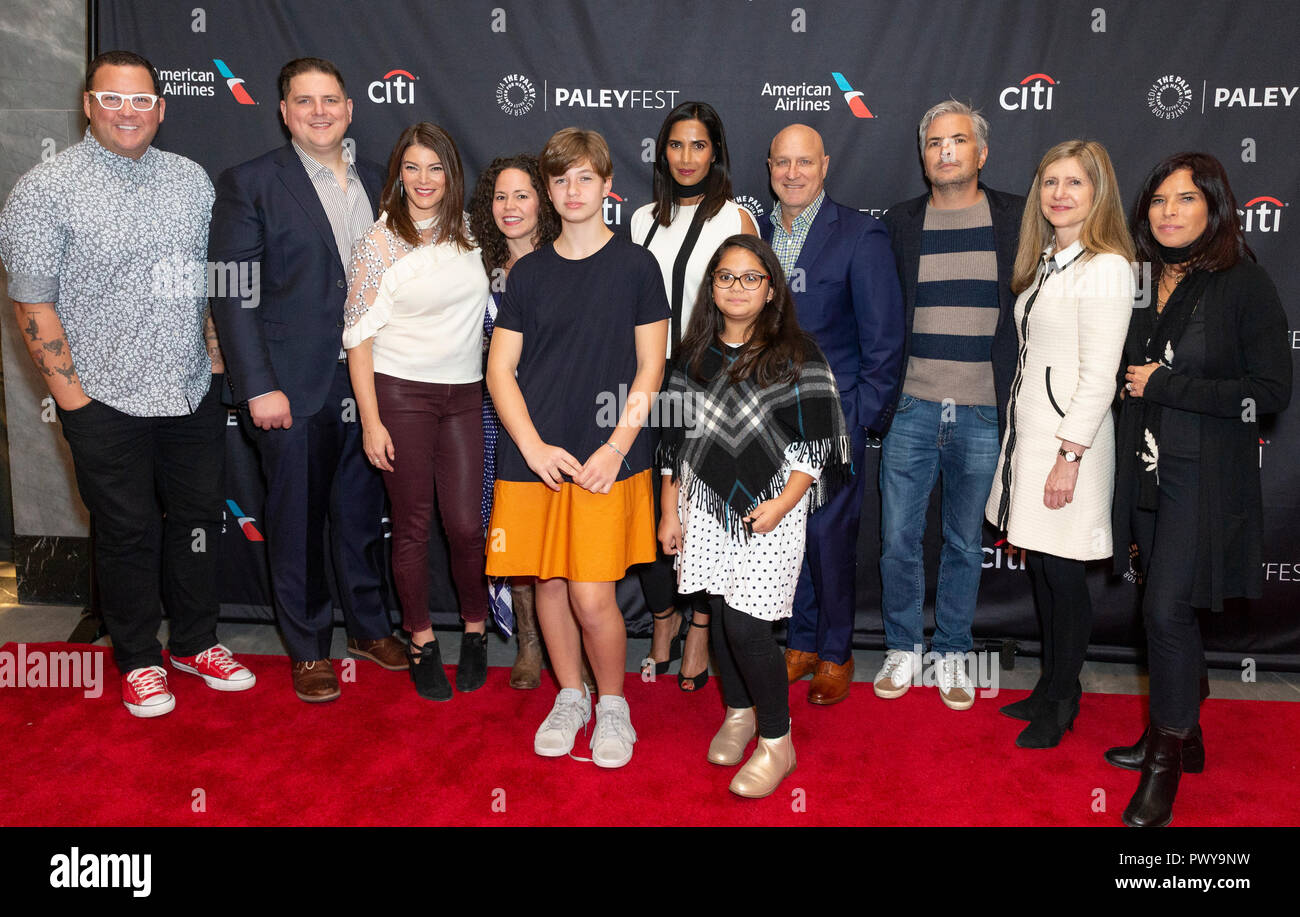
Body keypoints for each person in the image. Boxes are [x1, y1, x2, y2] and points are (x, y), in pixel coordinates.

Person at [0, 50, 254, 716]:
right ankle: (140, 657)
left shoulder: (191, 180)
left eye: (141, 100)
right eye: (112, 99)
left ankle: (195, 641)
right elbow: (31, 303)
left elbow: (204, 279)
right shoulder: (44, 188)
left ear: (161, 109)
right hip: (101, 396)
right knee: (127, 530)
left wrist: (212, 352)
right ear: (87, 104)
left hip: (189, 390)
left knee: (198, 521)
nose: (128, 112)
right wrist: (73, 399)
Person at [209, 57, 406, 703]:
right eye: (304, 101)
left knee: (360, 514)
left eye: (330, 99)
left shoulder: (384, 182)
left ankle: (369, 628)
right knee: (293, 523)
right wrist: (256, 383)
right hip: (289, 388)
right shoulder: (249, 182)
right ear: (284, 112)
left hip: (371, 385)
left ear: (350, 108)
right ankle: (307, 647)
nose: (319, 111)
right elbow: (232, 294)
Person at [1109, 152, 1290, 827]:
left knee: (1164, 613)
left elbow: (1271, 390)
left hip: (1204, 478)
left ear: (1214, 206)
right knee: (1163, 613)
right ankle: (1183, 736)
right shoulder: (1144, 278)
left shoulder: (1242, 282)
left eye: (1185, 199)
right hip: (1148, 468)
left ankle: (1163, 767)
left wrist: (1167, 385)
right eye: (1158, 200)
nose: (1168, 212)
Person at [486, 128, 669, 768]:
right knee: (548, 587)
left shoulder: (637, 266)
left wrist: (619, 447)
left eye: (584, 178)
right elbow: (499, 370)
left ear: (607, 187)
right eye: (560, 179)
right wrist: (533, 447)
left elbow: (652, 368)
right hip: (535, 456)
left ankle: (613, 704)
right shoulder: (527, 273)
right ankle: (571, 695)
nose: (572, 190)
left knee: (593, 596)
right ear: (548, 190)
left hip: (605, 456)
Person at [659, 235, 851, 797]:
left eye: (750, 277)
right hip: (703, 505)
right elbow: (672, 443)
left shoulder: (798, 353)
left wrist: (786, 501)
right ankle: (739, 712)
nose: (737, 287)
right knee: (717, 614)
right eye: (726, 277)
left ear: (771, 288)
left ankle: (777, 740)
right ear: (711, 287)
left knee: (747, 624)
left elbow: (818, 441)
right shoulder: (692, 355)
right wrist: (669, 510)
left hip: (773, 507)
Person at [984, 139, 1135, 748]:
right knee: (1044, 571)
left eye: (1074, 183)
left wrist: (1069, 457)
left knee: (1065, 578)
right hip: (1033, 438)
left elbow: (1100, 375)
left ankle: (1065, 697)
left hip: (1070, 444)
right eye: (1050, 182)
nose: (1059, 194)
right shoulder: (1052, 258)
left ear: (1098, 193)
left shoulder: (1106, 267)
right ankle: (1050, 686)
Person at [877, 100, 1024, 710]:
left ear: (981, 153)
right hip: (911, 406)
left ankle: (955, 651)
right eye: (934, 142)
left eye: (957, 141)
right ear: (923, 155)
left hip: (984, 409)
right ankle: (903, 648)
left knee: (966, 543)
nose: (944, 151)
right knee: (896, 540)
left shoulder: (1017, 217)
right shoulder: (899, 222)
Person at [343, 122, 491, 700]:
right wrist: (372, 419)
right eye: (412, 167)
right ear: (397, 175)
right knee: (410, 527)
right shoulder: (376, 245)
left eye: (436, 168)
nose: (424, 179)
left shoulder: (473, 236)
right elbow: (358, 340)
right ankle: (422, 638)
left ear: (451, 175)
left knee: (464, 525)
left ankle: (475, 632)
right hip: (401, 395)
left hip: (464, 395)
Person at [762, 124, 904, 704]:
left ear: (825, 165)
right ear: (768, 166)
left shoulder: (860, 235)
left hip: (834, 417)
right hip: (767, 416)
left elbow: (884, 338)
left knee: (828, 538)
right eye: (781, 163)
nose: (792, 174)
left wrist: (863, 418)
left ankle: (836, 651)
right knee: (785, 532)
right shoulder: (755, 234)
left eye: (804, 162)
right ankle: (799, 642)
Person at [630, 101, 758, 691]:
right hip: (646, 383)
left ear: (716, 152)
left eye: (699, 145)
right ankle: (662, 621)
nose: (686, 157)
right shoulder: (638, 221)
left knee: (703, 510)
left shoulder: (734, 219)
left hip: (714, 385)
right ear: (663, 151)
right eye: (676, 145)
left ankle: (702, 624)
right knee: (650, 507)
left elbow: (754, 307)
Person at [468, 153, 561, 689]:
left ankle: (563, 639)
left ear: (542, 201)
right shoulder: (474, 264)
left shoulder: (565, 258)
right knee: (512, 528)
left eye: (522, 195)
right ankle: (529, 641)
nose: (510, 207)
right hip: (488, 413)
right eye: (500, 196)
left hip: (555, 408)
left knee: (561, 525)